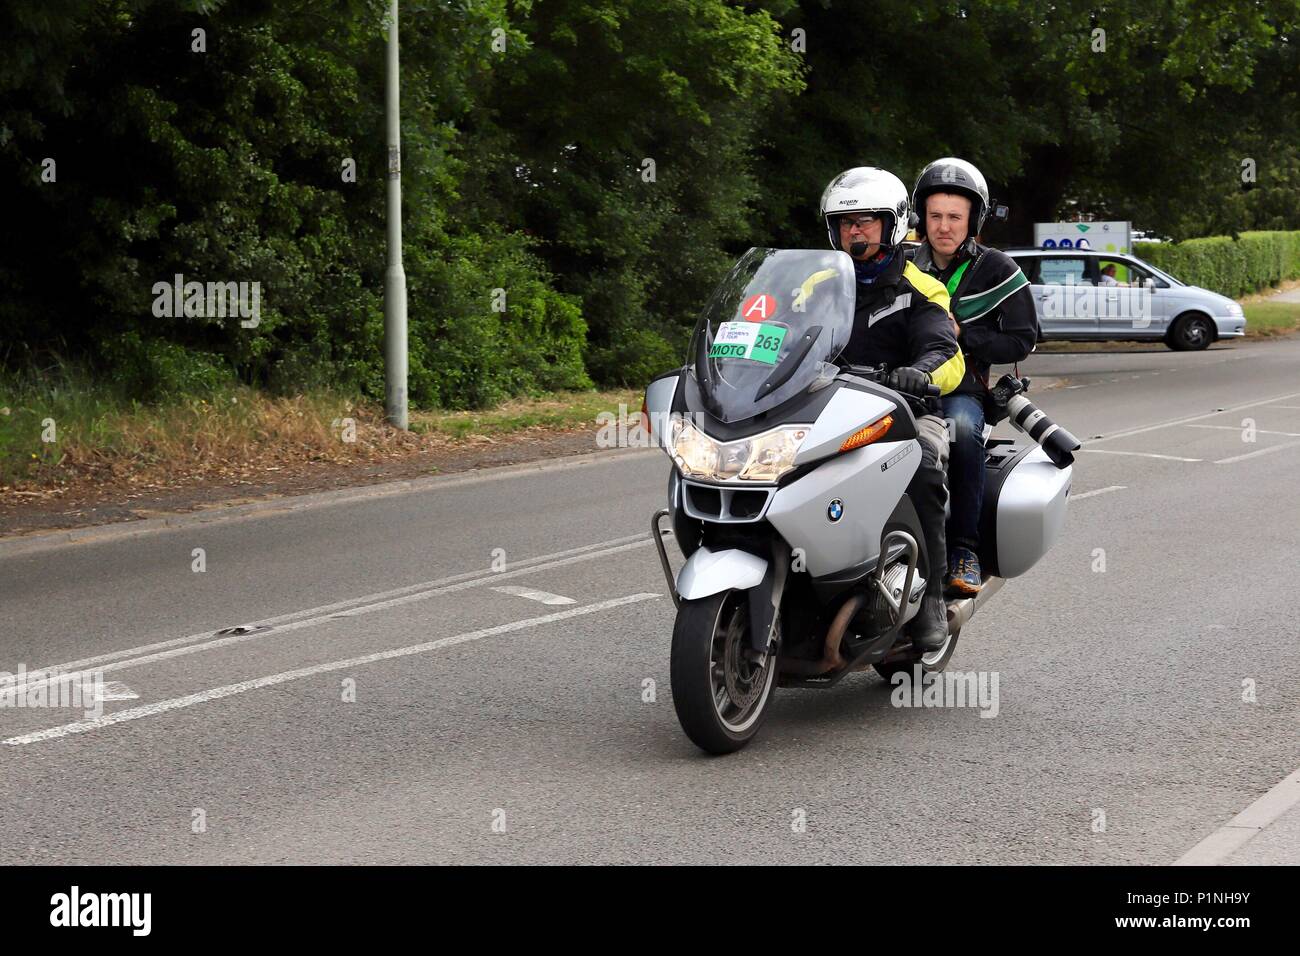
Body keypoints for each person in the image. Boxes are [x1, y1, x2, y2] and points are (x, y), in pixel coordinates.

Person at [818, 167, 965, 651]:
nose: (853, 231)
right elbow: (776, 331)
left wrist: (919, 373)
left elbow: (947, 353)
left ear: (894, 223)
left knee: (923, 463)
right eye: (845, 223)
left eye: (864, 221)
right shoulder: (817, 286)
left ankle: (932, 598)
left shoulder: (919, 287)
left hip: (902, 407)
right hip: (827, 407)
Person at [909, 157, 1037, 596]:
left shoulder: (997, 269)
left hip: (962, 388)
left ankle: (964, 548)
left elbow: (1022, 341)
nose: (944, 227)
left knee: (962, 431)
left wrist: (965, 336)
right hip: (901, 383)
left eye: (955, 217)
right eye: (935, 216)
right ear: (920, 217)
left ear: (973, 220)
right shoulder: (902, 264)